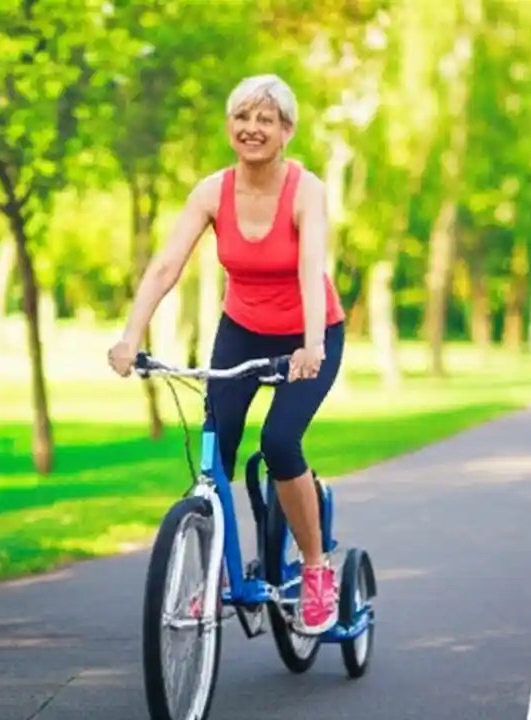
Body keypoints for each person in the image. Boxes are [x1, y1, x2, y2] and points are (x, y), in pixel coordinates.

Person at [107, 73, 347, 636]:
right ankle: (212, 572)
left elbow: (311, 271)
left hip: (310, 333)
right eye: (243, 117)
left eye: (266, 119)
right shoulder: (212, 192)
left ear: (286, 131)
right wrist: (129, 335)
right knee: (216, 451)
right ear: (229, 126)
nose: (252, 128)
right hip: (242, 329)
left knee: (281, 441)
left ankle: (316, 570)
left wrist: (311, 345)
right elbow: (167, 264)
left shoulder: (305, 190)